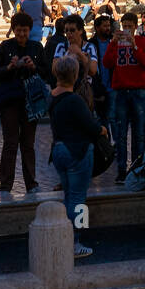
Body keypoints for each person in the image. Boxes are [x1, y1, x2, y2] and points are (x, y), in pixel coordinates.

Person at [49, 54, 108, 258]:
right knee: (78, 199)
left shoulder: (53, 96)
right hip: (78, 151)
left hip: (58, 149)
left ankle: (64, 238)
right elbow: (90, 126)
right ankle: (75, 242)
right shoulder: (74, 99)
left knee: (68, 196)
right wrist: (101, 130)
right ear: (74, 75)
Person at [0, 11, 50, 196]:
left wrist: (34, 67)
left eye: (24, 31)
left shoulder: (37, 47)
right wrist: (9, 67)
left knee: (28, 144)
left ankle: (31, 183)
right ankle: (5, 185)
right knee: (10, 142)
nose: (22, 34)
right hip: (9, 100)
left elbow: (46, 72)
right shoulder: (5, 46)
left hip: (31, 101)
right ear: (13, 30)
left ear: (30, 30)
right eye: (18, 31)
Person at [103, 9, 145, 183]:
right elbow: (106, 63)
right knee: (121, 134)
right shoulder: (115, 43)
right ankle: (122, 169)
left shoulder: (141, 41)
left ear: (135, 27)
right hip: (120, 90)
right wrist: (113, 43)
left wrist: (134, 45)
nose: (126, 29)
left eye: (129, 27)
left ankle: (137, 168)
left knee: (139, 133)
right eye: (124, 26)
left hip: (138, 90)